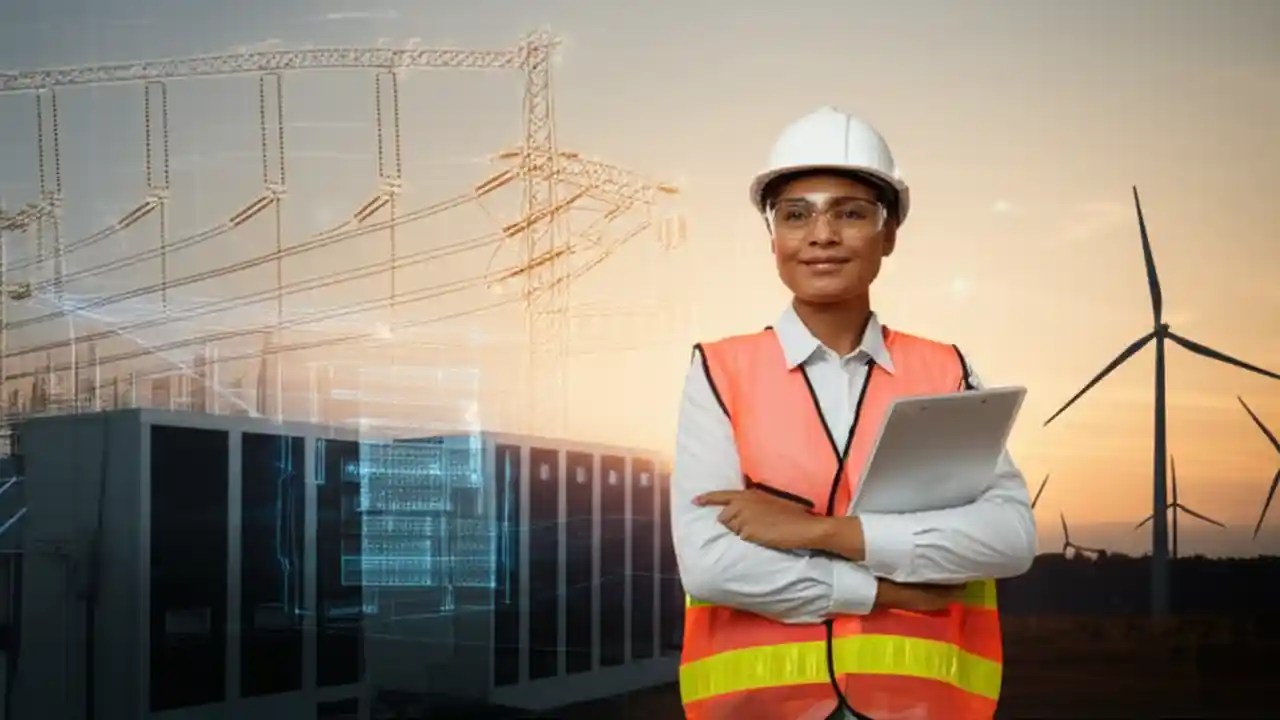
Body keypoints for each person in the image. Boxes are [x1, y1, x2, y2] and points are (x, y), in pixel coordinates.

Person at [669, 107, 1038, 720]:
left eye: (850, 212)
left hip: (920, 707)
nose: (821, 234)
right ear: (773, 237)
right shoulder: (719, 370)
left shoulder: (946, 370)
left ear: (888, 234)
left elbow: (1009, 538)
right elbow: (711, 566)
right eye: (796, 214)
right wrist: (886, 589)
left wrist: (820, 533)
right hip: (759, 709)